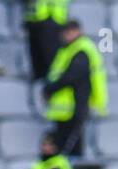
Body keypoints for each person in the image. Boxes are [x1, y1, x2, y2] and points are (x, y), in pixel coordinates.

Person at [42, 18, 107, 158]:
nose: (64, 36)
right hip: (66, 108)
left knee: (70, 147)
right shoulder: (70, 49)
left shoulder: (81, 50)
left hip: (74, 106)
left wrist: (50, 88)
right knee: (66, 145)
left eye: (67, 32)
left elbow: (71, 76)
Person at [24, 0, 66, 82]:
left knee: (51, 60)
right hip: (33, 18)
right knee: (36, 58)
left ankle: (51, 82)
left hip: (52, 17)